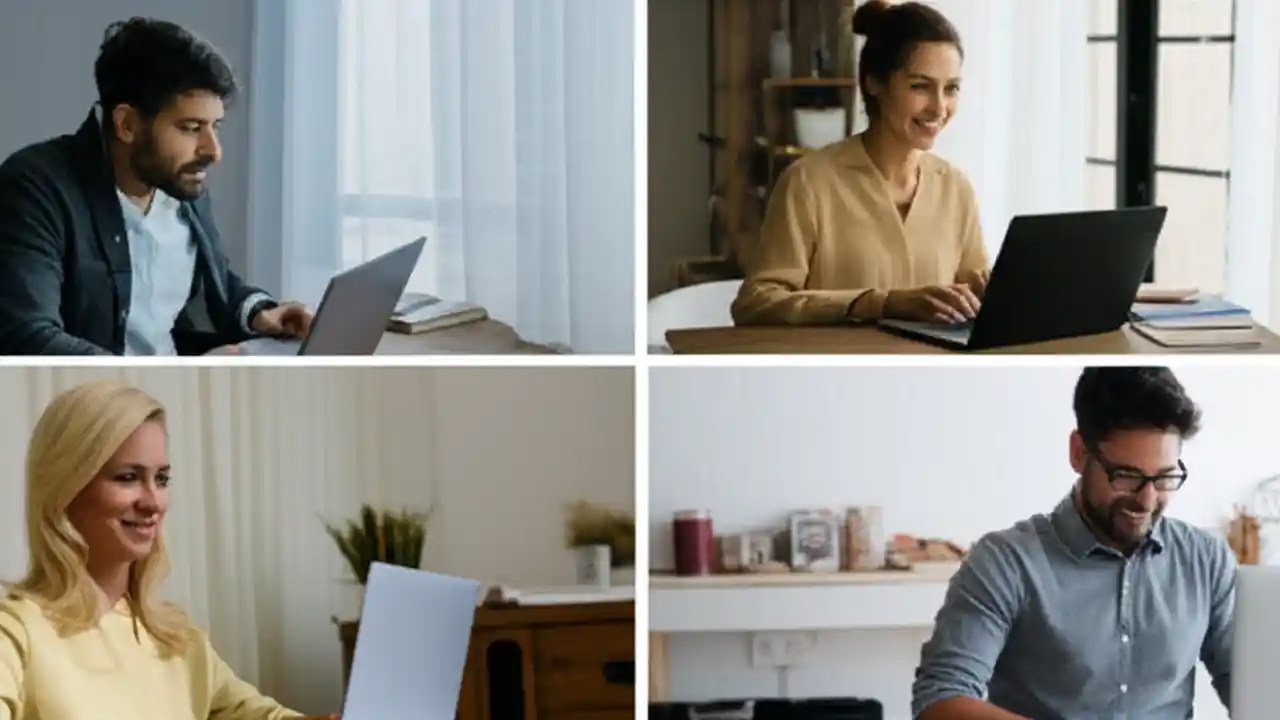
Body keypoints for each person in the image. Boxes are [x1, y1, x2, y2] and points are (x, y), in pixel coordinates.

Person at [0, 380, 339, 720]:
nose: (153, 502)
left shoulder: (176, 637)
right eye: (128, 477)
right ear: (65, 487)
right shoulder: (16, 631)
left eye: (161, 479)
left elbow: (259, 715)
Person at [912, 367, 1235, 719]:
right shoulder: (1006, 562)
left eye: (1165, 478)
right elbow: (940, 701)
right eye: (1126, 476)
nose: (1146, 500)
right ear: (1079, 453)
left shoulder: (1206, 559)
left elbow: (1254, 686)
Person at [0, 17, 313, 355]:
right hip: (102, 405)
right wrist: (176, 380)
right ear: (127, 124)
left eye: (215, 126)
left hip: (172, 395)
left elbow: (217, 279)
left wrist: (258, 312)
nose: (213, 152)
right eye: (191, 127)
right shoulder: (34, 189)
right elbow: (29, 337)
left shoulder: (178, 183)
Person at [732, 0, 990, 327]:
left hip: (928, 373)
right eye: (920, 86)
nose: (939, 107)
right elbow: (756, 304)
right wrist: (879, 303)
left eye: (951, 88)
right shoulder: (809, 182)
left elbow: (975, 293)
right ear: (873, 82)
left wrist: (994, 295)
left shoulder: (956, 188)